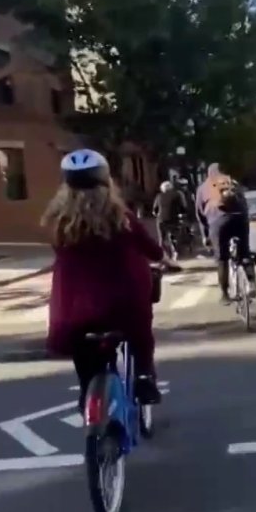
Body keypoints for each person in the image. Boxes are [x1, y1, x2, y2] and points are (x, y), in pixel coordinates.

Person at [44, 149, 165, 412]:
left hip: (75, 306)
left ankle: (87, 390)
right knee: (140, 331)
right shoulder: (121, 216)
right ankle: (144, 377)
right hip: (122, 303)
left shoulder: (56, 220)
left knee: (82, 345)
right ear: (106, 182)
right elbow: (151, 249)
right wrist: (161, 257)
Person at [196, 164, 256, 303]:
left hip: (218, 222)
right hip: (240, 218)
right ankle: (252, 282)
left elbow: (200, 214)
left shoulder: (203, 188)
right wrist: (244, 219)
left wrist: (205, 235)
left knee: (222, 259)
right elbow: (244, 203)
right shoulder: (233, 183)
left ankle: (224, 295)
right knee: (245, 252)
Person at [153, 180, 186, 254]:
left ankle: (162, 253)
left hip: (161, 219)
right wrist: (182, 213)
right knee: (174, 235)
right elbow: (182, 208)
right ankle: (175, 251)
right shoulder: (177, 195)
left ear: (162, 188)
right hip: (173, 219)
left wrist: (157, 215)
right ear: (171, 187)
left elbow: (154, 210)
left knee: (162, 238)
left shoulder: (159, 196)